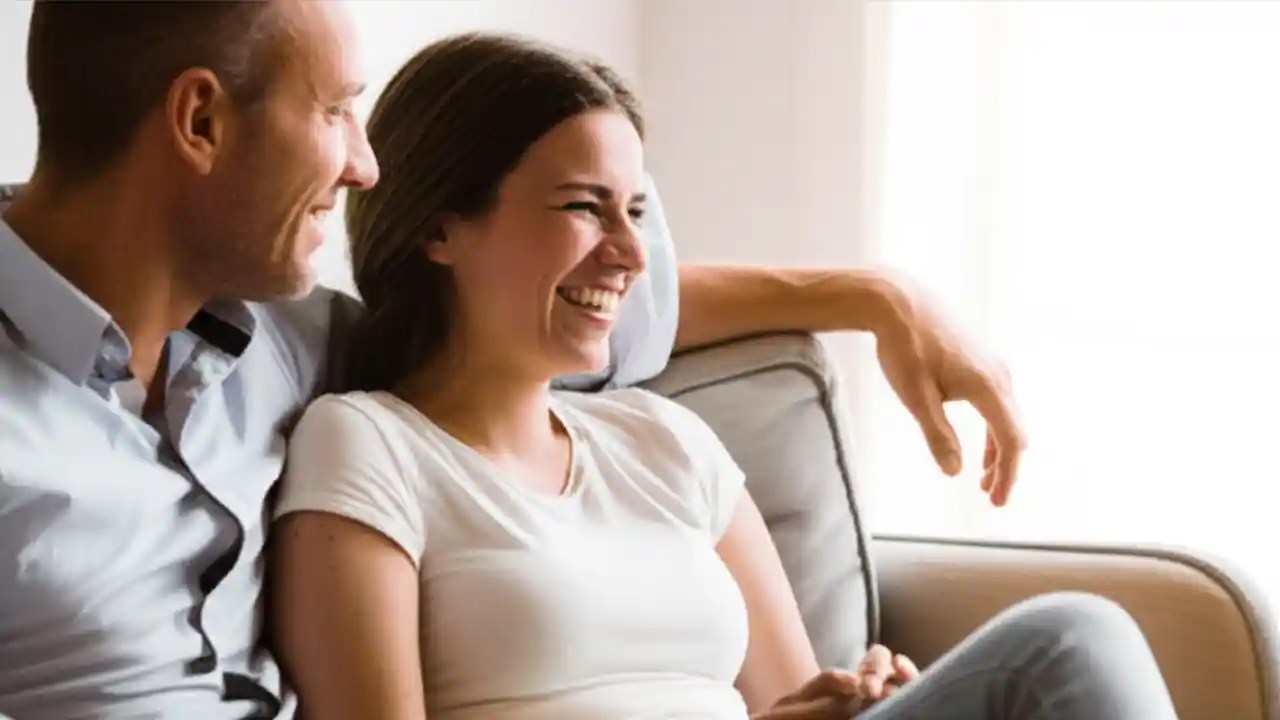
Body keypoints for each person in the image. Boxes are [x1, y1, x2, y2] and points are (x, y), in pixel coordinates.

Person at [0, 0, 1033, 717]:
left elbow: (561, 300)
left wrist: (875, 296)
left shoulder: (293, 341)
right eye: (332, 112)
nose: (362, 164)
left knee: (1056, 652)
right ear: (199, 120)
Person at [269, 30, 1179, 720]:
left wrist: (854, 698)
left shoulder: (664, 442)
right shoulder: (367, 445)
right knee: (1063, 640)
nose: (631, 253)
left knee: (1076, 640)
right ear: (440, 228)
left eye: (636, 210)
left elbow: (788, 696)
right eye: (585, 208)